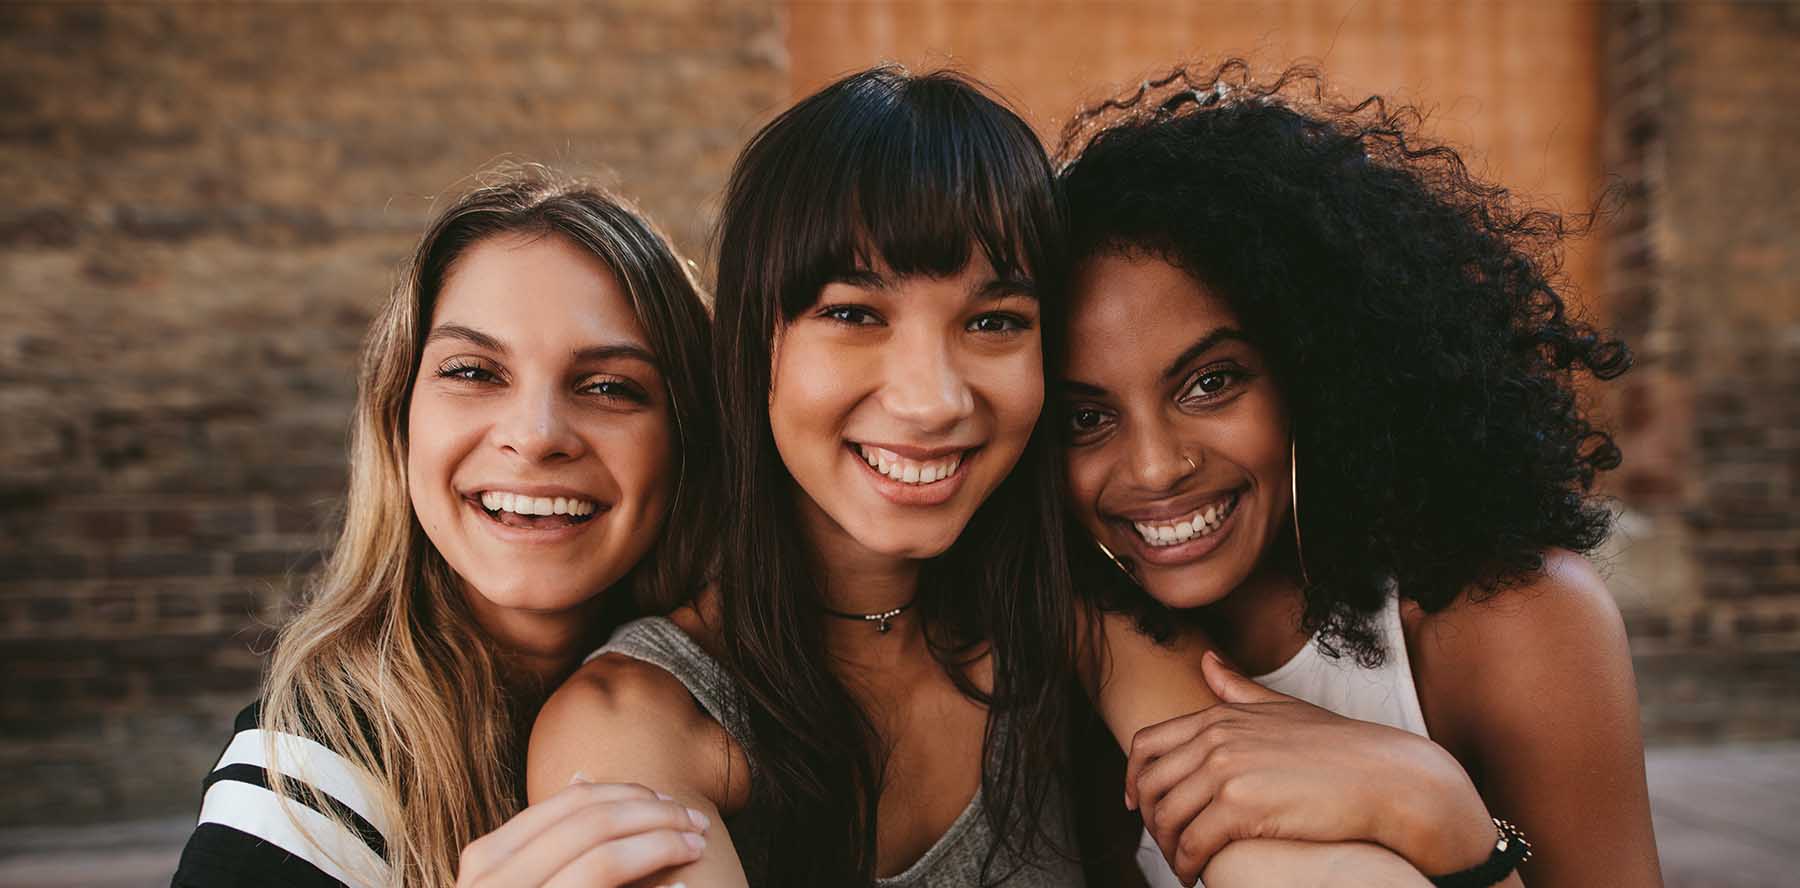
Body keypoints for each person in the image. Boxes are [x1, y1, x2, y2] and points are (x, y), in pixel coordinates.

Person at [1055, 61, 1663, 887]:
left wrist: (1438, 810)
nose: (1157, 466)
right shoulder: (1062, 633)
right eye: (1086, 418)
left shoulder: (1509, 624)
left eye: (1211, 382)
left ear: (1315, 372)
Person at [529, 66, 1097, 887]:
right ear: (756, 346)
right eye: (854, 314)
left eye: (994, 321)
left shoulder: (1068, 619)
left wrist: (1358, 784)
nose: (933, 401)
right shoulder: (633, 727)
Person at [171, 169, 721, 888]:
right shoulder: (308, 788)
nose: (536, 436)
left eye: (610, 386)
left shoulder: (748, 710)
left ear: (689, 439)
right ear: (398, 418)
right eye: (474, 372)